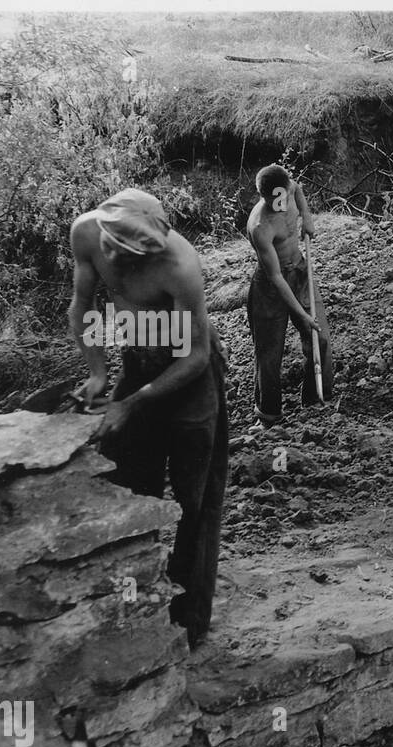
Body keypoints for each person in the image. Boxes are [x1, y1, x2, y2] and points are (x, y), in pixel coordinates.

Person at [68, 188, 227, 649]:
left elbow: (194, 356)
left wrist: (131, 404)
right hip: (138, 355)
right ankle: (136, 598)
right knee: (128, 480)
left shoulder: (180, 265)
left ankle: (190, 620)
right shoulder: (85, 233)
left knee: (196, 497)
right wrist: (99, 373)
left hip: (189, 373)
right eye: (125, 254)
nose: (130, 265)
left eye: (142, 258)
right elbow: (82, 307)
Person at [245, 164, 333, 425]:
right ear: (263, 196)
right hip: (271, 287)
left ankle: (317, 401)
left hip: (300, 272)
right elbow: (275, 278)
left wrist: (306, 216)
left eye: (286, 194)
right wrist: (300, 315)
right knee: (269, 353)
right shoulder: (260, 226)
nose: (284, 202)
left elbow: (299, 190)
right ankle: (269, 414)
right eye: (277, 200)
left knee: (321, 339)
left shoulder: (288, 185)